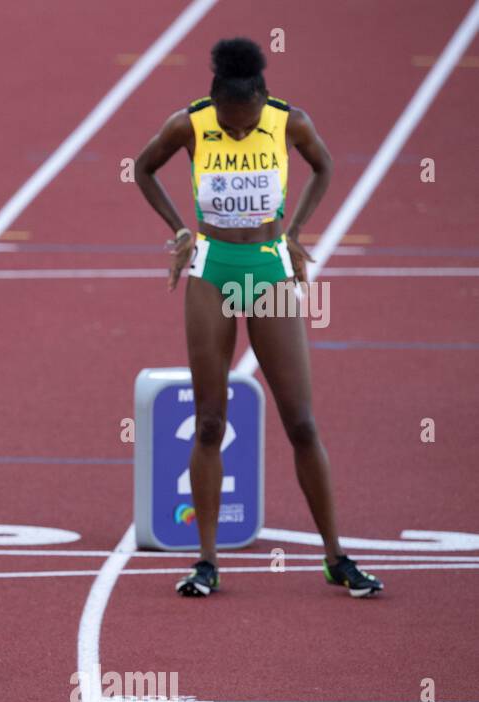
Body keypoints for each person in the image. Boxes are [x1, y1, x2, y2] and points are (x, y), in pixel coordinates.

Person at [133, 38, 383, 598]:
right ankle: (206, 561)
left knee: (301, 421)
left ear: (262, 104)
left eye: (246, 125)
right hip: (212, 269)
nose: (239, 131)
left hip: (268, 272)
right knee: (209, 422)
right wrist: (178, 229)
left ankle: (336, 555)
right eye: (230, 123)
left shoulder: (288, 122)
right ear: (215, 103)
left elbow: (324, 166)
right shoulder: (190, 124)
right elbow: (143, 170)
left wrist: (294, 233)